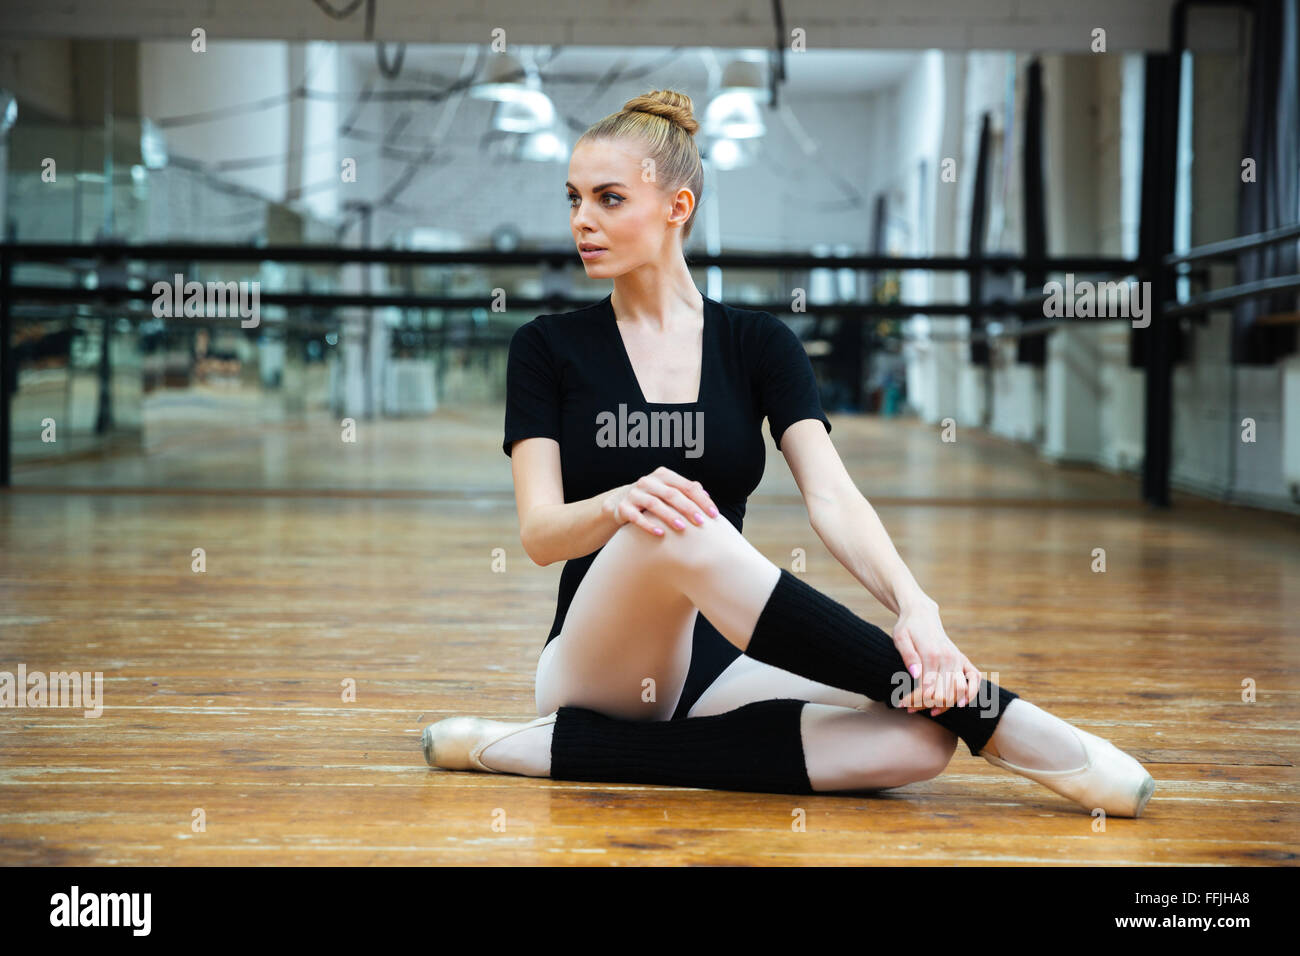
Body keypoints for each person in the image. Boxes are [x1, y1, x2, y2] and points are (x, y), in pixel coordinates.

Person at [422, 89, 1156, 816]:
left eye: (609, 198)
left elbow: (832, 497)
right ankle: (997, 719)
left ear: (677, 207)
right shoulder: (547, 346)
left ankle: (553, 751)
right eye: (574, 198)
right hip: (597, 664)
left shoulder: (759, 343)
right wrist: (620, 502)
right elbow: (541, 534)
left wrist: (916, 607)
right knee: (672, 515)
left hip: (719, 669)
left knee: (918, 740)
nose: (583, 220)